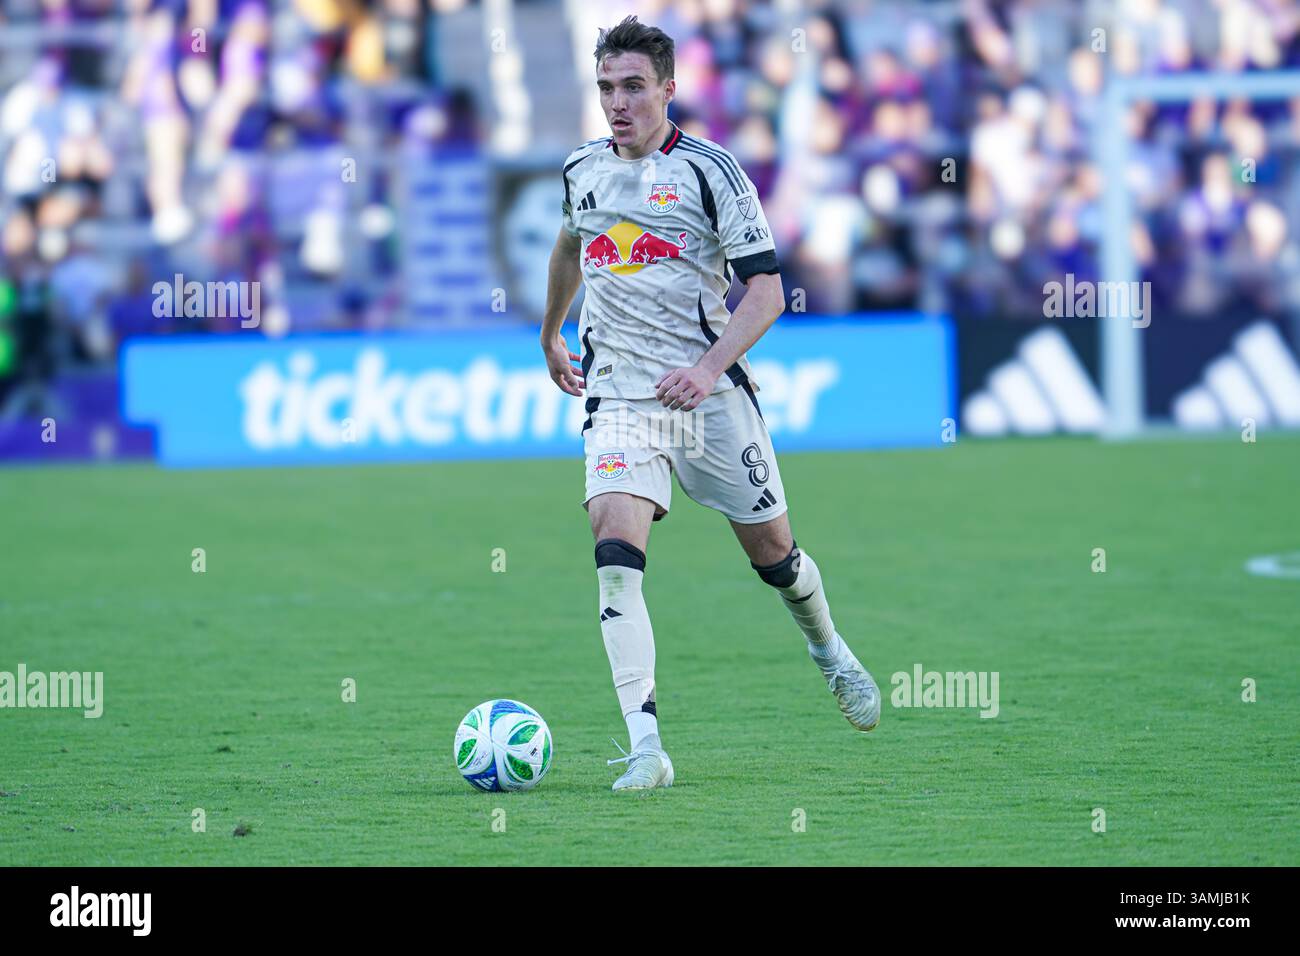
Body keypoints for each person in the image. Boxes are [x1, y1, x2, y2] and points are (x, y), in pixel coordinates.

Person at [540, 16, 880, 792]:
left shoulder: (711, 172)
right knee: (614, 554)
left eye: (633, 87)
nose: (617, 103)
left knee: (776, 560)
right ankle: (646, 748)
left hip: (709, 396)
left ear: (668, 88)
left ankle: (828, 648)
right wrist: (551, 330)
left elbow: (765, 290)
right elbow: (568, 246)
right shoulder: (581, 169)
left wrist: (708, 365)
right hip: (621, 394)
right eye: (606, 88)